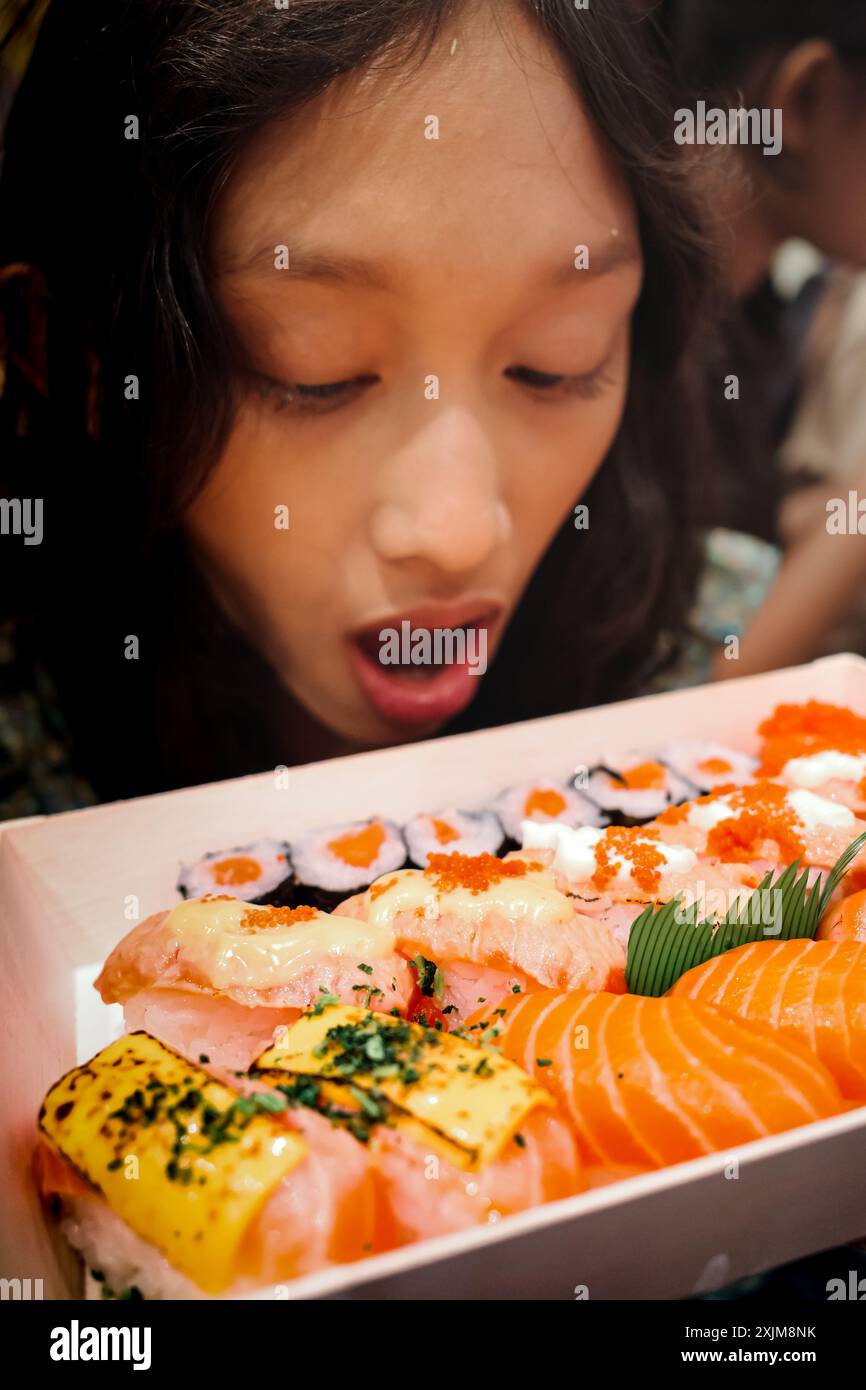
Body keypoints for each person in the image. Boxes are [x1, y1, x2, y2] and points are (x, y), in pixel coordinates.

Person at [0, 0, 714, 809]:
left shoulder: (721, 680)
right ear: (68, 355)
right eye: (315, 373)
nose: (457, 534)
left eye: (556, 362)